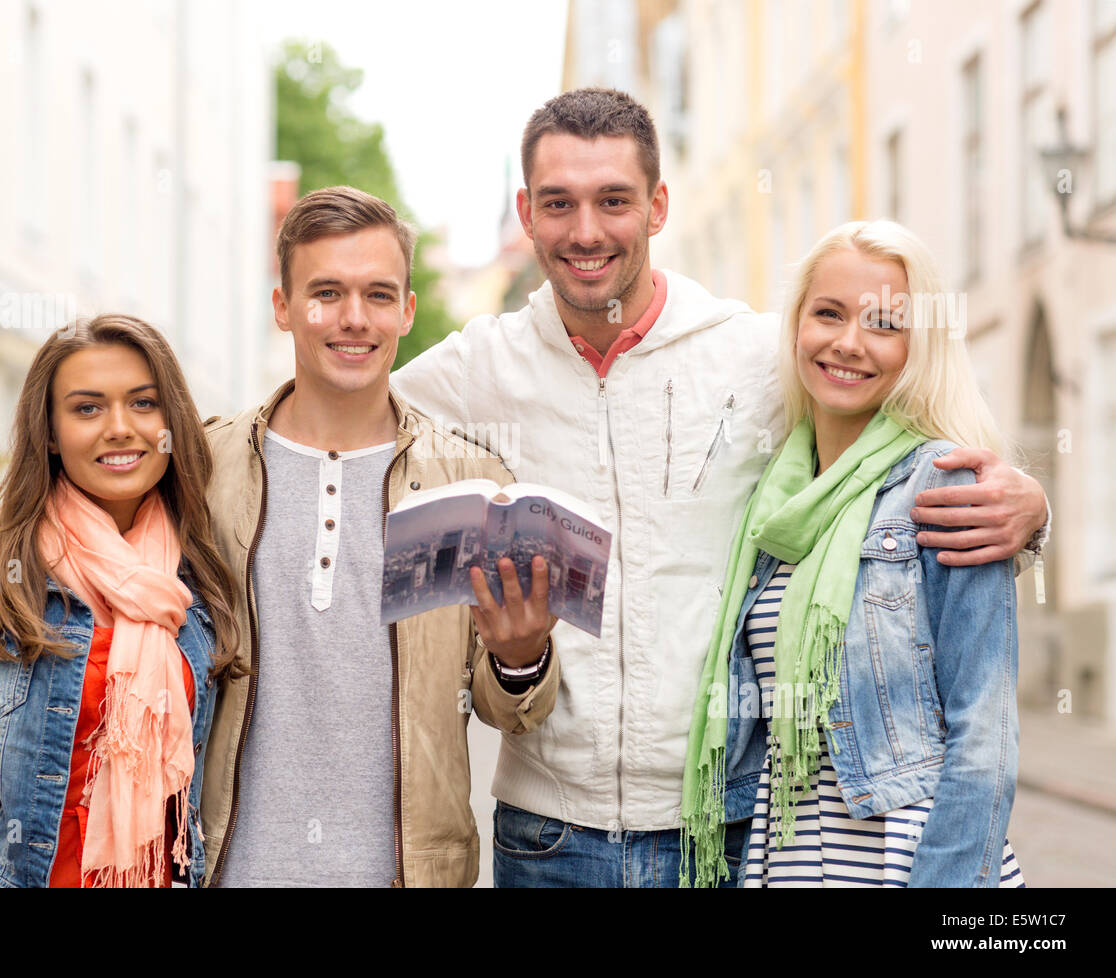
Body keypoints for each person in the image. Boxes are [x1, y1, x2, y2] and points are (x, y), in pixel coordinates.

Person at [390, 88, 1048, 887]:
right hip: (546, 835)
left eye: (614, 201)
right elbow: (346, 420)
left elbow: (891, 426)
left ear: (658, 206)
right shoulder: (477, 368)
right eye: (559, 203)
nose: (587, 230)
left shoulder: (757, 354)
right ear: (527, 212)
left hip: (722, 832)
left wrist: (1030, 505)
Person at [195, 186, 559, 887]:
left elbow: (511, 711)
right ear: (283, 306)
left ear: (407, 311)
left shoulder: (470, 483)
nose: (354, 319)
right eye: (326, 293)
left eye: (379, 295)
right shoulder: (206, 469)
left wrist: (520, 657)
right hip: (224, 872)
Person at [681, 220, 1024, 887]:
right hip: (786, 863)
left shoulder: (947, 486)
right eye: (828, 314)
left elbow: (985, 736)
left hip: (910, 864)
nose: (848, 343)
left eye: (883, 324)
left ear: (918, 346)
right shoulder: (771, 500)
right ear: (797, 326)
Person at [0, 315, 240, 888]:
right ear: (51, 434)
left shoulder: (200, 589)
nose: (119, 428)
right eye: (87, 408)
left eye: (143, 404)